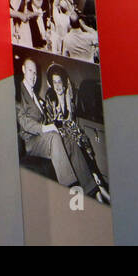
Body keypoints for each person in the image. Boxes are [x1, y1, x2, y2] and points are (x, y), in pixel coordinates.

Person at [16, 57, 104, 201]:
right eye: (30, 71)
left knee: (69, 139)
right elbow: (24, 121)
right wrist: (45, 128)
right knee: (54, 137)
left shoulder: (35, 96)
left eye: (35, 73)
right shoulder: (18, 91)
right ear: (24, 70)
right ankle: (70, 188)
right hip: (31, 142)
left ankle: (92, 189)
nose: (33, 76)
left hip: (41, 138)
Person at [43, 63, 109, 202]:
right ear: (51, 84)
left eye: (59, 81)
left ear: (64, 82)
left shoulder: (69, 98)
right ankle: (98, 192)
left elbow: (72, 120)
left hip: (76, 135)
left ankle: (100, 191)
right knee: (83, 159)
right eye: (54, 82)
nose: (57, 85)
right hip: (63, 137)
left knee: (90, 162)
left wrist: (77, 134)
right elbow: (52, 124)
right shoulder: (51, 99)